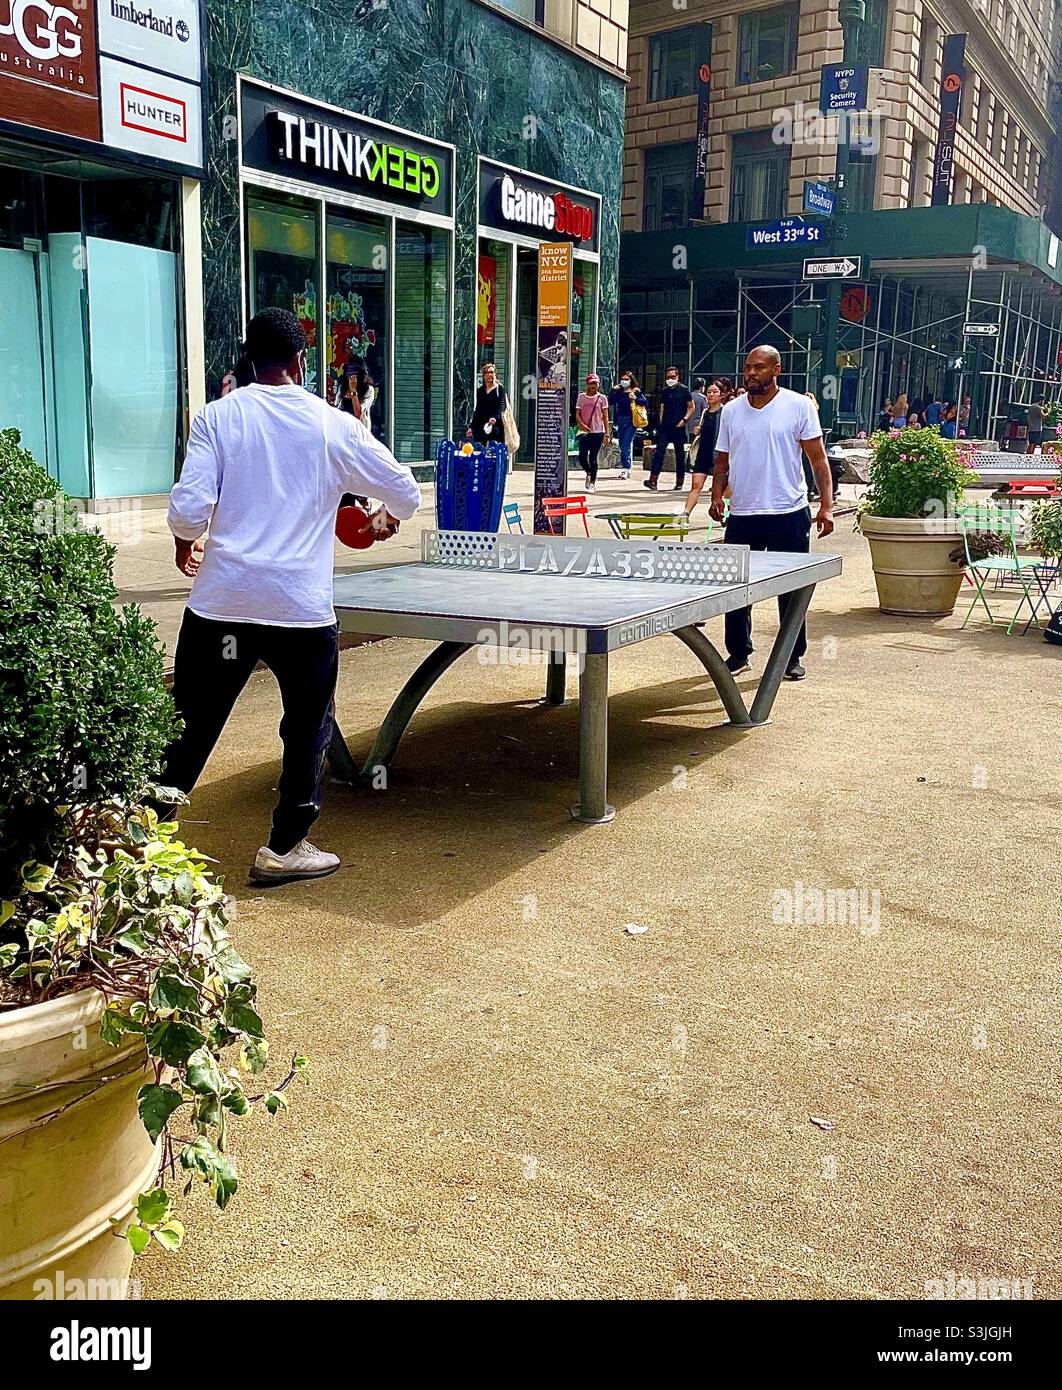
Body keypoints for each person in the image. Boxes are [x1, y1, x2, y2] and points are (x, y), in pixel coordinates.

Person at [158, 308, 422, 885]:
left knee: (188, 724)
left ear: (249, 361)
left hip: (222, 604)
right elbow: (404, 489)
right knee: (307, 724)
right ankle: (285, 846)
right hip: (299, 611)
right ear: (303, 361)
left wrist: (185, 542)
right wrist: (383, 518)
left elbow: (189, 508)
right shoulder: (333, 425)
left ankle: (142, 838)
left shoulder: (216, 419)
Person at [700, 344, 834, 682]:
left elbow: (818, 461)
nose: (751, 373)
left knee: (791, 588)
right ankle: (739, 651)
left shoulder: (798, 406)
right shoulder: (731, 411)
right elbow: (721, 462)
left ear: (776, 369)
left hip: (788, 510)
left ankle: (791, 656)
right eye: (748, 367)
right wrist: (716, 496)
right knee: (735, 586)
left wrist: (826, 506)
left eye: (759, 367)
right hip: (743, 512)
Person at [645, 365, 694, 491]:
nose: (670, 379)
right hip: (666, 426)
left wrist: (685, 420)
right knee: (659, 452)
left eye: (672, 376)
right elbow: (662, 407)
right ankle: (653, 480)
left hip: (679, 426)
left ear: (677, 376)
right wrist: (660, 422)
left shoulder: (684, 390)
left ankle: (679, 481)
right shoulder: (665, 391)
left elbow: (691, 406)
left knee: (679, 455)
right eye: (668, 377)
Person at [683, 380, 723, 516]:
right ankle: (686, 513)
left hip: (719, 456)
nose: (711, 395)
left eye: (715, 392)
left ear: (721, 394)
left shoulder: (725, 412)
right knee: (695, 486)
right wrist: (698, 430)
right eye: (709, 392)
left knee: (722, 489)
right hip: (703, 453)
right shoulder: (705, 413)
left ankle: (724, 513)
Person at [608, 370, 648, 480]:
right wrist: (613, 390)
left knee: (626, 443)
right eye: (623, 379)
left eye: (627, 379)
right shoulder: (620, 392)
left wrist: (635, 398)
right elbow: (610, 401)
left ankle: (625, 468)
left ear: (631, 380)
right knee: (622, 444)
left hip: (632, 420)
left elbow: (645, 402)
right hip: (621, 420)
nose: (624, 381)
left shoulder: (635, 391)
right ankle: (628, 466)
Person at [575, 373, 610, 492]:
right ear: (587, 384)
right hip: (584, 431)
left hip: (598, 431)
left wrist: (607, 433)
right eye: (591, 383)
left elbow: (605, 416)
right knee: (582, 456)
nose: (593, 386)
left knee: (593, 457)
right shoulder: (581, 397)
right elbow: (577, 414)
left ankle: (592, 483)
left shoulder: (602, 398)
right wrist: (581, 424)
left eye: (595, 383)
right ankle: (588, 472)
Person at [467, 362, 508, 444]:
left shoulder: (499, 389)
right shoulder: (480, 391)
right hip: (482, 426)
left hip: (495, 426)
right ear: (483, 376)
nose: (489, 375)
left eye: (491, 372)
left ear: (495, 374)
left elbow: (501, 406)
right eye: (486, 373)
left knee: (494, 452)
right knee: (479, 450)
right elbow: (478, 410)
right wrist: (472, 427)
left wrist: (494, 417)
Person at [688, 377, 709, 444]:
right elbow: (705, 412)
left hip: (687, 425)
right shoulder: (702, 398)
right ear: (701, 387)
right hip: (698, 425)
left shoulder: (688, 396)